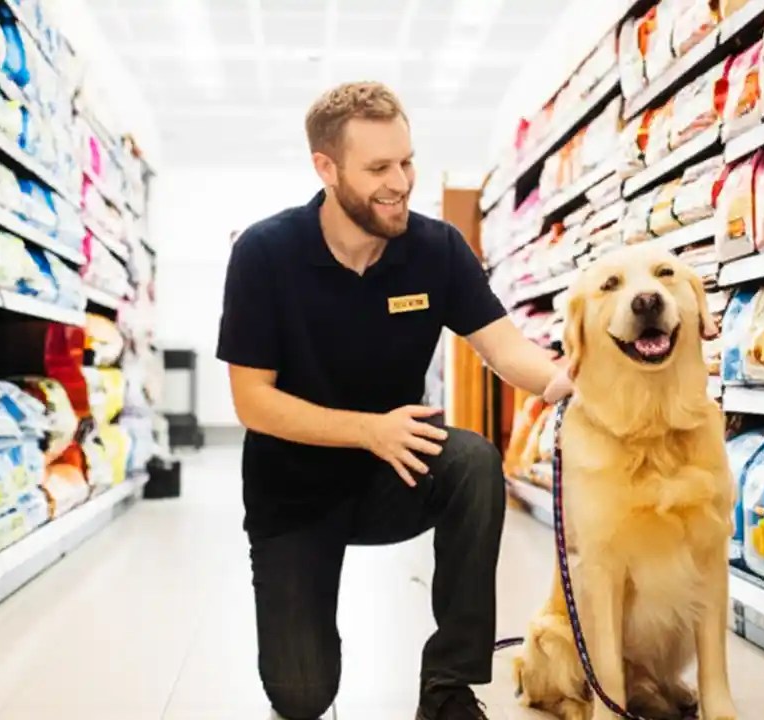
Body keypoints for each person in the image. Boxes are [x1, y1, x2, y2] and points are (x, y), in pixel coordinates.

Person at [216, 81, 573, 720]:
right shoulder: (265, 254)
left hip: (396, 472)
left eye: (406, 161)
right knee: (301, 697)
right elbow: (253, 402)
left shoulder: (434, 249)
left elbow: (503, 347)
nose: (401, 181)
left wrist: (565, 378)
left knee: (472, 462)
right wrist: (369, 430)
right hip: (291, 492)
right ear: (325, 169)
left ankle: (448, 689)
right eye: (378, 167)